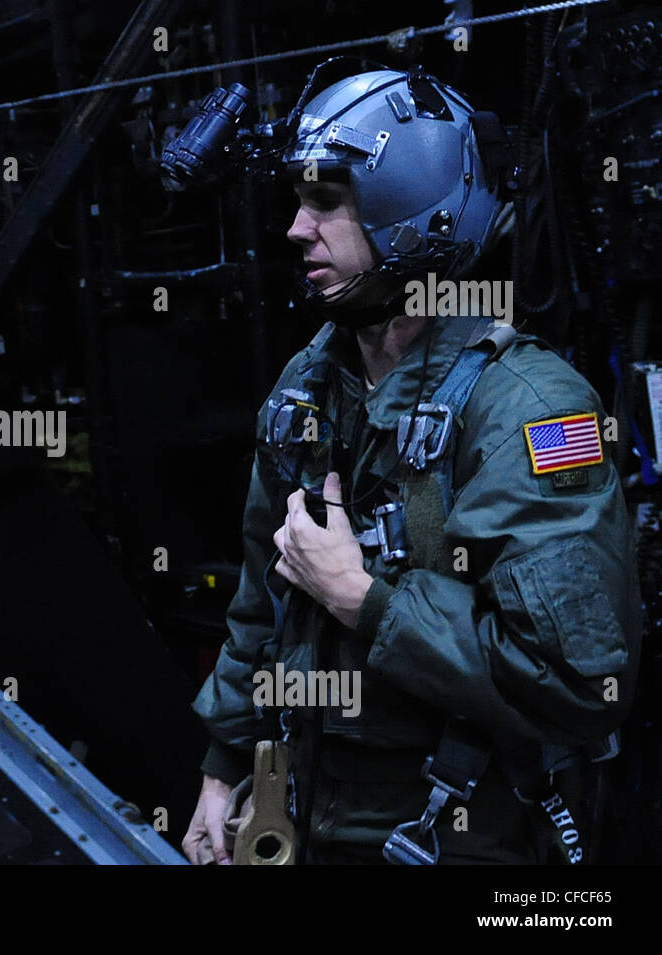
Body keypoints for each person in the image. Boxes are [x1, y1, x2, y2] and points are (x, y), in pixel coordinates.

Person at [181, 63, 641, 865]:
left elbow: (580, 686)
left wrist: (364, 597)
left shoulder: (531, 409)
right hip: (310, 815)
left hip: (462, 835)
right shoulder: (308, 389)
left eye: (325, 203)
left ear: (410, 221)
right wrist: (224, 767)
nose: (295, 229)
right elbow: (261, 606)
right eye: (299, 202)